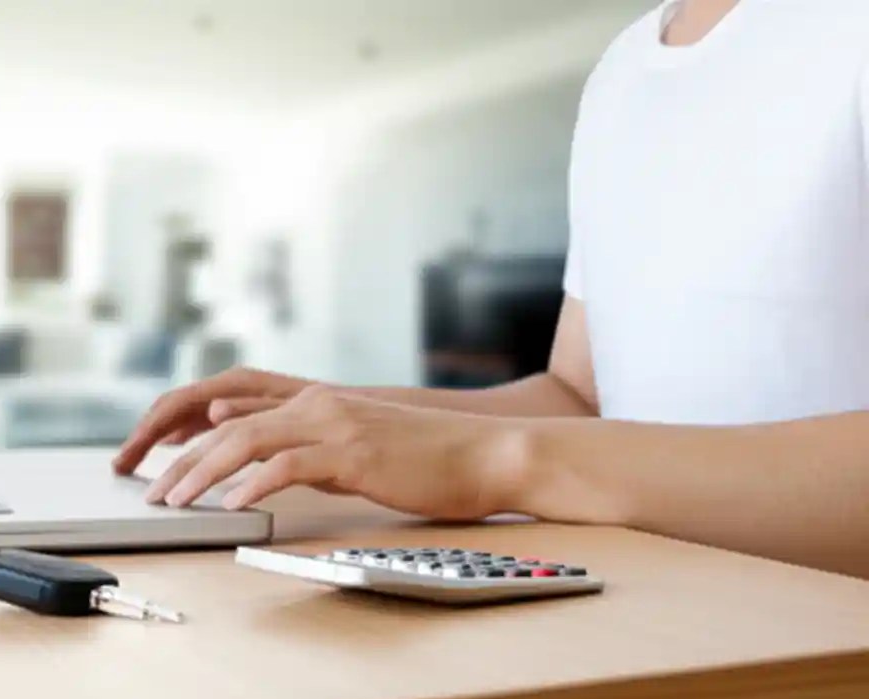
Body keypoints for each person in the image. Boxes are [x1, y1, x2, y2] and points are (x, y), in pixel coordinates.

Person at [112, 0, 869, 581]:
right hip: (653, 604)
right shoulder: (623, 72)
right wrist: (350, 423)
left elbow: (548, 447)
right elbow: (582, 399)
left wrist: (498, 460)